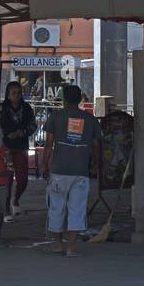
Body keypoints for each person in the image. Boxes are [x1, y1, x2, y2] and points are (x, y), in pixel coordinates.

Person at [41, 83, 99, 258]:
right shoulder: (91, 120)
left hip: (59, 170)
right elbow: (96, 146)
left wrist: (44, 165)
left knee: (56, 207)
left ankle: (58, 244)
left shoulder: (55, 117)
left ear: (64, 99)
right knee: (77, 209)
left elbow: (49, 144)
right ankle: (71, 248)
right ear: (81, 99)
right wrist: (94, 163)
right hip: (81, 170)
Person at [0, 80, 36, 221]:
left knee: (23, 179)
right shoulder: (2, 108)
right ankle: (6, 209)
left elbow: (33, 125)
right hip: (6, 148)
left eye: (19, 93)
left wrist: (22, 132)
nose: (17, 95)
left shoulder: (27, 108)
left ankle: (16, 200)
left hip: (21, 147)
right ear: (8, 94)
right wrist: (7, 134)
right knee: (7, 180)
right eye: (13, 93)